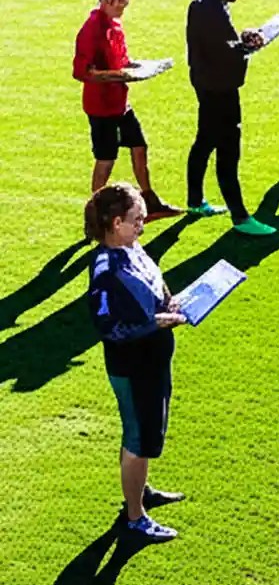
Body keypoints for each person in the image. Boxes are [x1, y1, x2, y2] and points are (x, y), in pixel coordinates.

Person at [85, 184, 188, 543]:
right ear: (116, 223)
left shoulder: (131, 247)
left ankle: (139, 490)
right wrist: (156, 323)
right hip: (133, 367)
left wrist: (171, 302)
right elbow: (109, 328)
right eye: (137, 219)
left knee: (145, 433)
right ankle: (134, 518)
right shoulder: (105, 271)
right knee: (137, 437)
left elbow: (154, 284)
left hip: (152, 360)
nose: (143, 225)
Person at [73, 0, 182, 220]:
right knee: (106, 159)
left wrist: (146, 67)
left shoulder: (115, 24)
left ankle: (149, 200)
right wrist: (120, 75)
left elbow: (123, 61)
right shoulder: (92, 30)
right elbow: (82, 72)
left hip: (120, 102)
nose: (126, 4)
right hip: (101, 106)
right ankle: (96, 214)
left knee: (139, 146)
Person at [185, 0, 276, 236]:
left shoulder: (207, 4)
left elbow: (222, 45)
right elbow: (227, 54)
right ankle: (240, 217)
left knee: (204, 142)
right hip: (218, 90)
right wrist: (249, 47)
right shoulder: (210, 9)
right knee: (228, 150)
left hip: (208, 85)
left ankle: (195, 201)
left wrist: (243, 39)